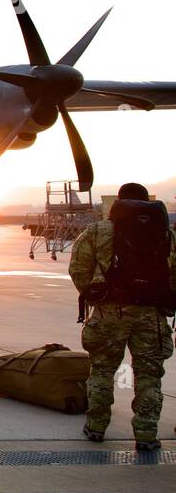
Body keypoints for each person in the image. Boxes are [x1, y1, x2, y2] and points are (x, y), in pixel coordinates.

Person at [69, 183, 176, 450]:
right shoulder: (166, 235)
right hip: (152, 316)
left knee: (103, 370)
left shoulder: (98, 231)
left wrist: (94, 295)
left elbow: (78, 268)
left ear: (118, 201)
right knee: (149, 375)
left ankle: (96, 427)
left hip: (110, 312)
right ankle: (147, 434)